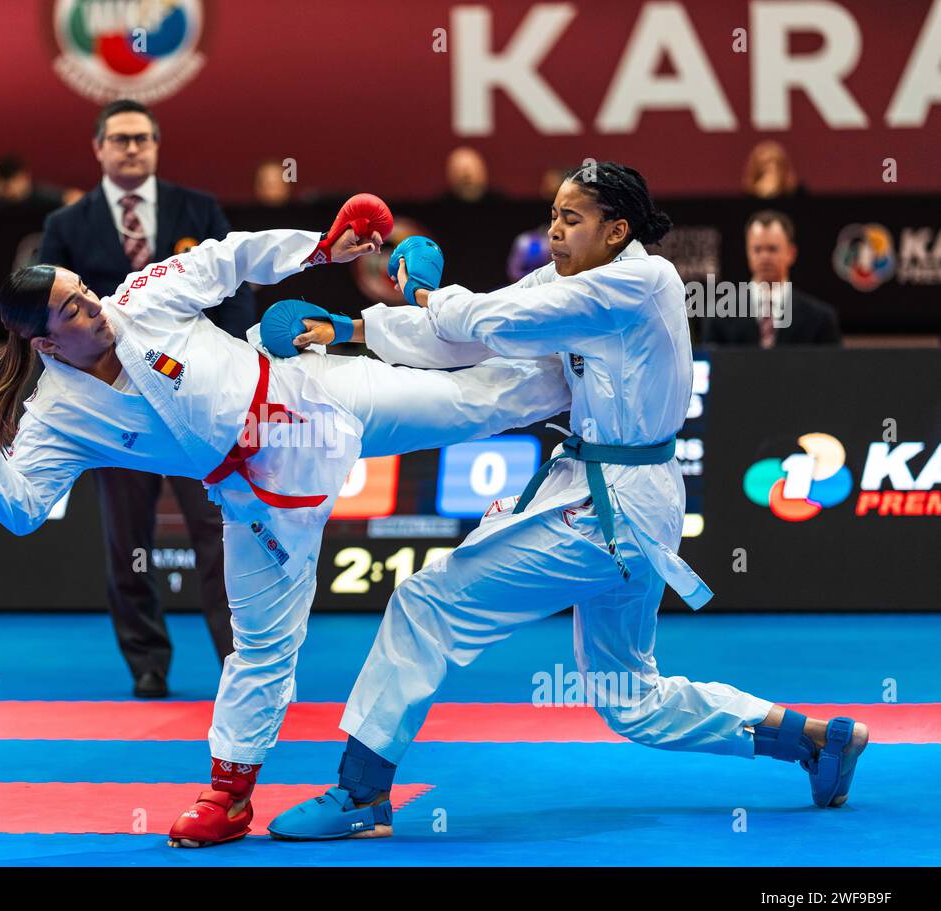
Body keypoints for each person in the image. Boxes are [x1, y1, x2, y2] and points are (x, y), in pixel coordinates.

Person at [0, 197, 572, 848]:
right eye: (73, 308)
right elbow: (23, 510)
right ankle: (228, 795)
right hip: (259, 498)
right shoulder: (56, 415)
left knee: (467, 403)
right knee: (262, 649)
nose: (94, 305)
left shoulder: (139, 298)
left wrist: (321, 246)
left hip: (308, 392)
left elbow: (230, 257)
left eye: (85, 289)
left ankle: (574, 327)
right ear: (45, 339)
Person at [268, 163, 868, 843]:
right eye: (553, 214)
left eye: (572, 218)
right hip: (609, 496)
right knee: (629, 696)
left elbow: (493, 317)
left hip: (614, 507)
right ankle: (818, 743)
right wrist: (350, 328)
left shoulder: (641, 282)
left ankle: (361, 792)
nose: (555, 229)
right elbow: (468, 335)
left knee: (428, 602)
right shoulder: (571, 281)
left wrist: (430, 291)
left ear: (616, 230)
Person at [38, 100, 255, 698]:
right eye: (120, 139)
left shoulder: (198, 209)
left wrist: (235, 362)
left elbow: (234, 291)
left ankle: (237, 657)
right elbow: (44, 315)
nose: (131, 148)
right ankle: (147, 664)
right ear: (99, 150)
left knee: (218, 534)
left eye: (142, 139)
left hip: (196, 400)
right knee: (127, 541)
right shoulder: (67, 227)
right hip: (113, 405)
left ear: (157, 146)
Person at [701, 210, 840, 347]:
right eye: (757, 249)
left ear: (791, 253)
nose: (765, 257)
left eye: (772, 249)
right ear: (747, 252)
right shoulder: (718, 315)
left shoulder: (820, 319)